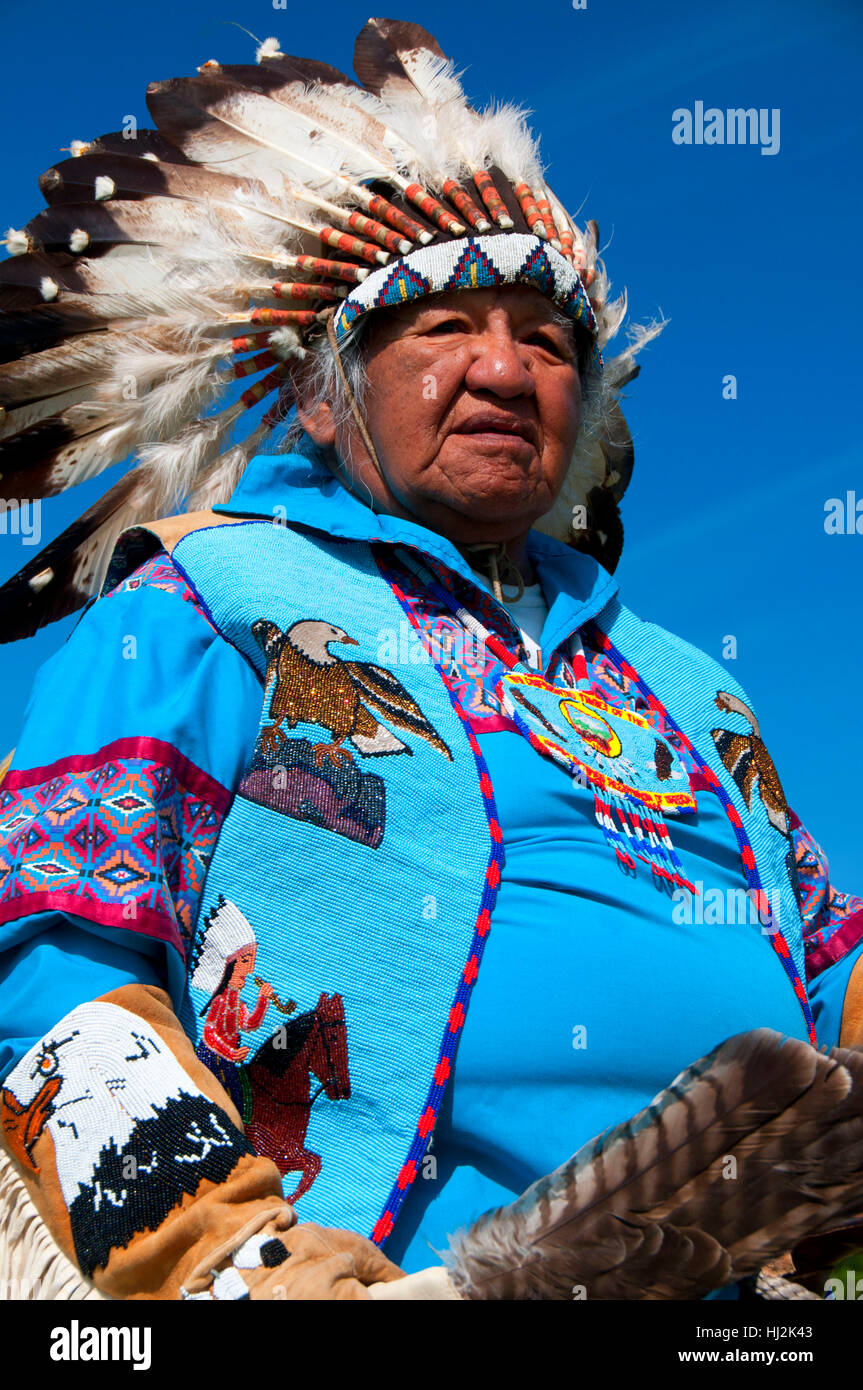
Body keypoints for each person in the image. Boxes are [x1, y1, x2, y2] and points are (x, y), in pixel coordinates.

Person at [0, 19, 861, 1302]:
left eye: (550, 342)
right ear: (319, 393)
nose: (505, 368)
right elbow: (54, 953)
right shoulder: (208, 595)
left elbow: (830, 968)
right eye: (441, 325)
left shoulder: (692, 686)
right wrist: (232, 1264)